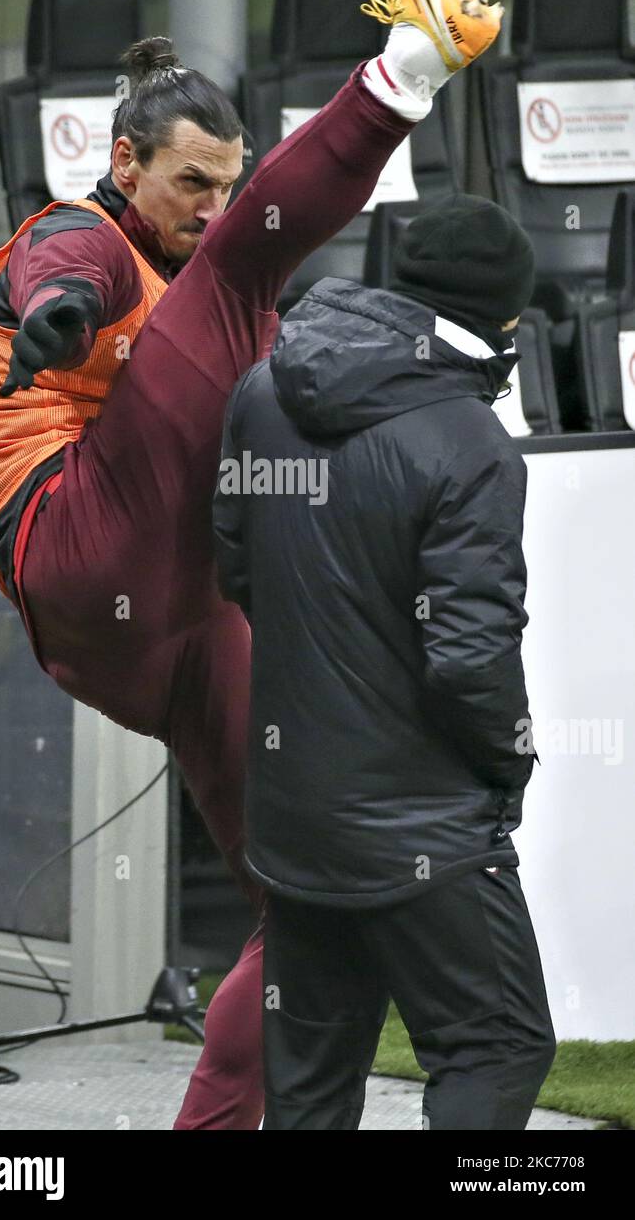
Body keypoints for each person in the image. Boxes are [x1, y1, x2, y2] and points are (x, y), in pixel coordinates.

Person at [0, 0, 504, 1130]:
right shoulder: (84, 234)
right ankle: (409, 60)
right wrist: (54, 315)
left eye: (226, 181)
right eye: (188, 182)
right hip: (74, 548)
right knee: (250, 272)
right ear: (123, 165)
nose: (209, 204)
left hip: (174, 618)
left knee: (311, 901)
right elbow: (63, 268)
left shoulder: (202, 285)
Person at [213, 201, 558, 1126]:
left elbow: (238, 571)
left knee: (311, 1084)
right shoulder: (471, 444)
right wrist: (508, 765)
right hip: (427, 827)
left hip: (294, 814)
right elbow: (469, 658)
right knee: (499, 1048)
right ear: (505, 321)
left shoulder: (260, 391)